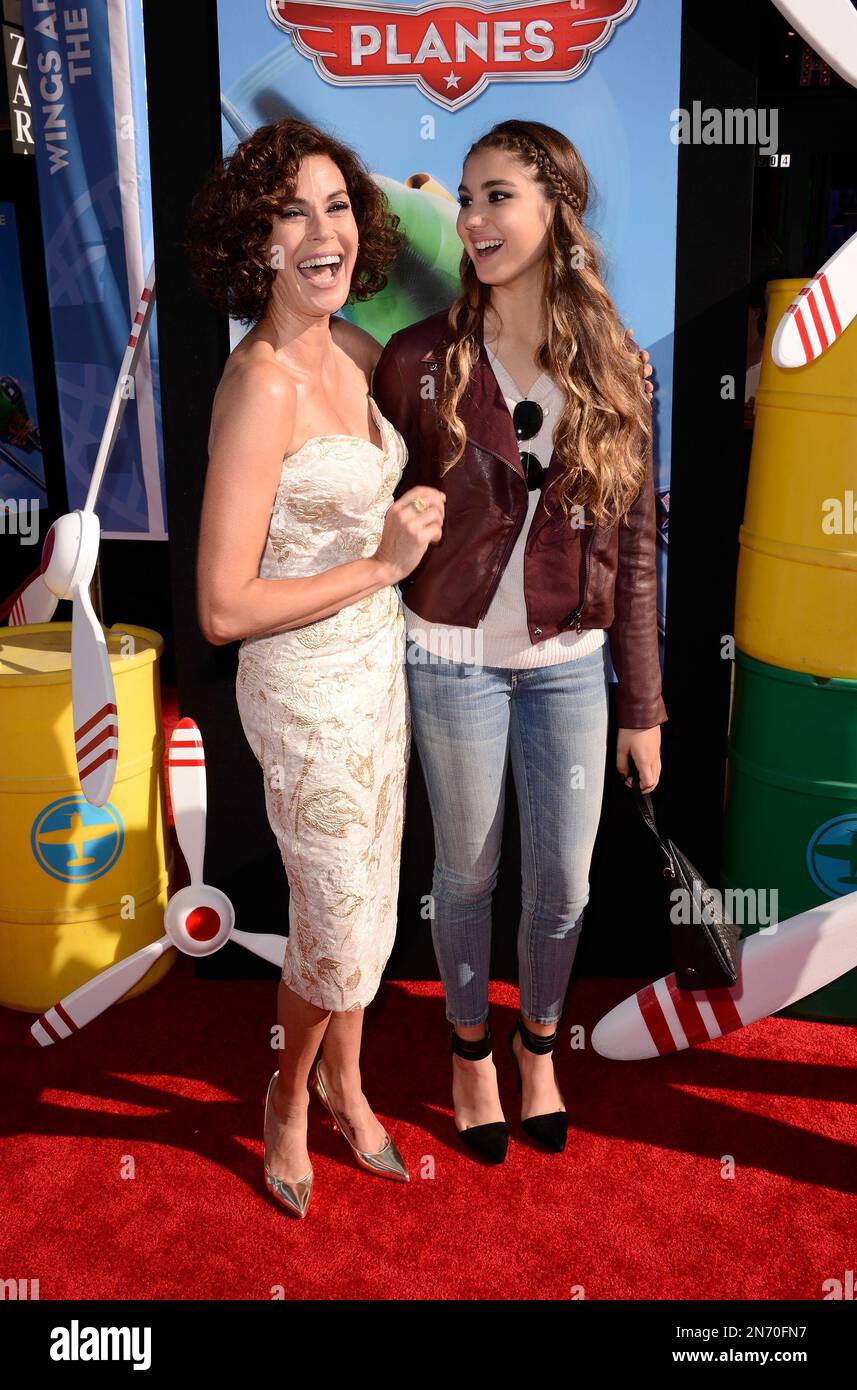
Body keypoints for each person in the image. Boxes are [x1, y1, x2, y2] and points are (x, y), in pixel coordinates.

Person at [372, 119, 665, 1165]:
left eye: (498, 195)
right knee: (464, 876)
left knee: (565, 887)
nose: (473, 218)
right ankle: (465, 1053)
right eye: (464, 196)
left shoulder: (617, 366)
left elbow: (635, 550)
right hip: (446, 663)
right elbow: (366, 518)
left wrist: (642, 706)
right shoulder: (417, 360)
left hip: (569, 672)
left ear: (555, 212)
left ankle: (537, 1045)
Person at [187, 117, 445, 1216]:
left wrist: (399, 523)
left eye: (337, 205)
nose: (322, 229)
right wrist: (381, 559)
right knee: (333, 924)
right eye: (292, 209)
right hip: (300, 694)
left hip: (372, 674)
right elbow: (219, 607)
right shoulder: (258, 385)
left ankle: (346, 1074)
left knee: (369, 913)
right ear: (254, 242)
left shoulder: (345, 348)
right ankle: (287, 1096)